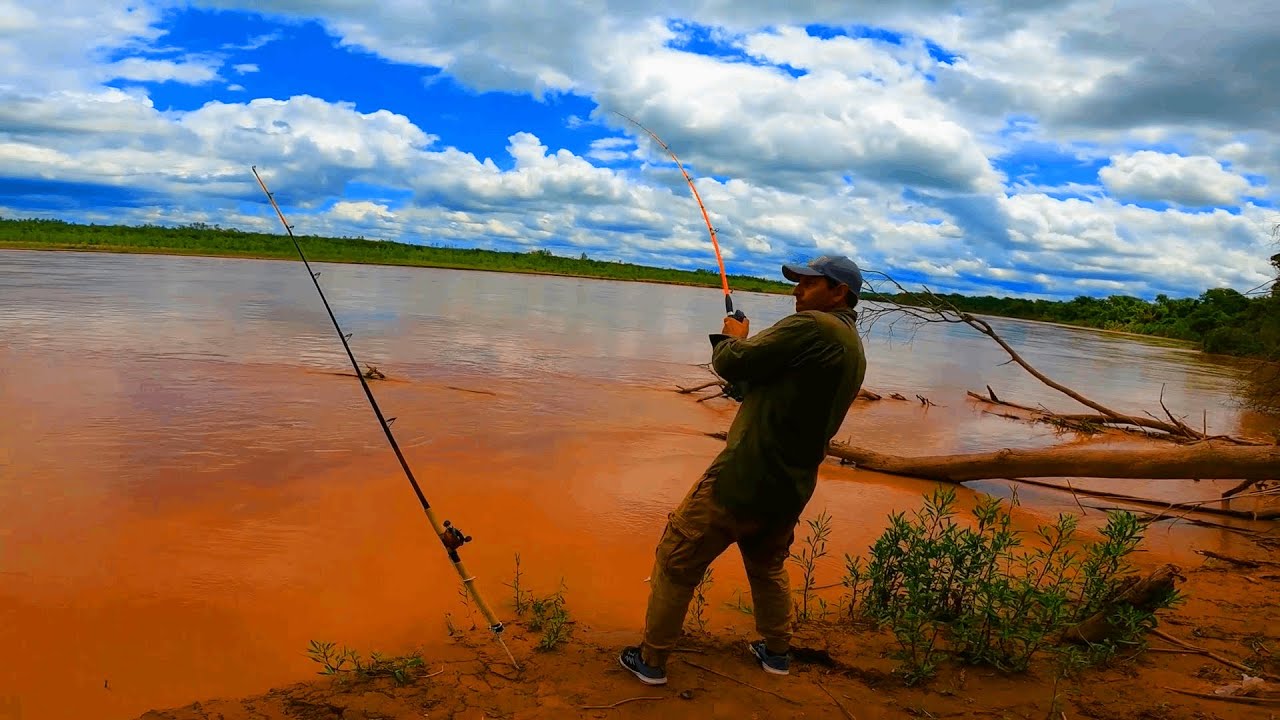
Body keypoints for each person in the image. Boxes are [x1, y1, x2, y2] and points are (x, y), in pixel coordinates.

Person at [619, 254, 869, 685]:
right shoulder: (850, 345)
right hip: (791, 485)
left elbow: (732, 363)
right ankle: (776, 653)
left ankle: (652, 662)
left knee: (675, 559)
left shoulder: (812, 326)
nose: (797, 291)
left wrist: (729, 337)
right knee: (767, 566)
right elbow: (771, 388)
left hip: (744, 475)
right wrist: (745, 383)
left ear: (838, 290)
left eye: (808, 284)